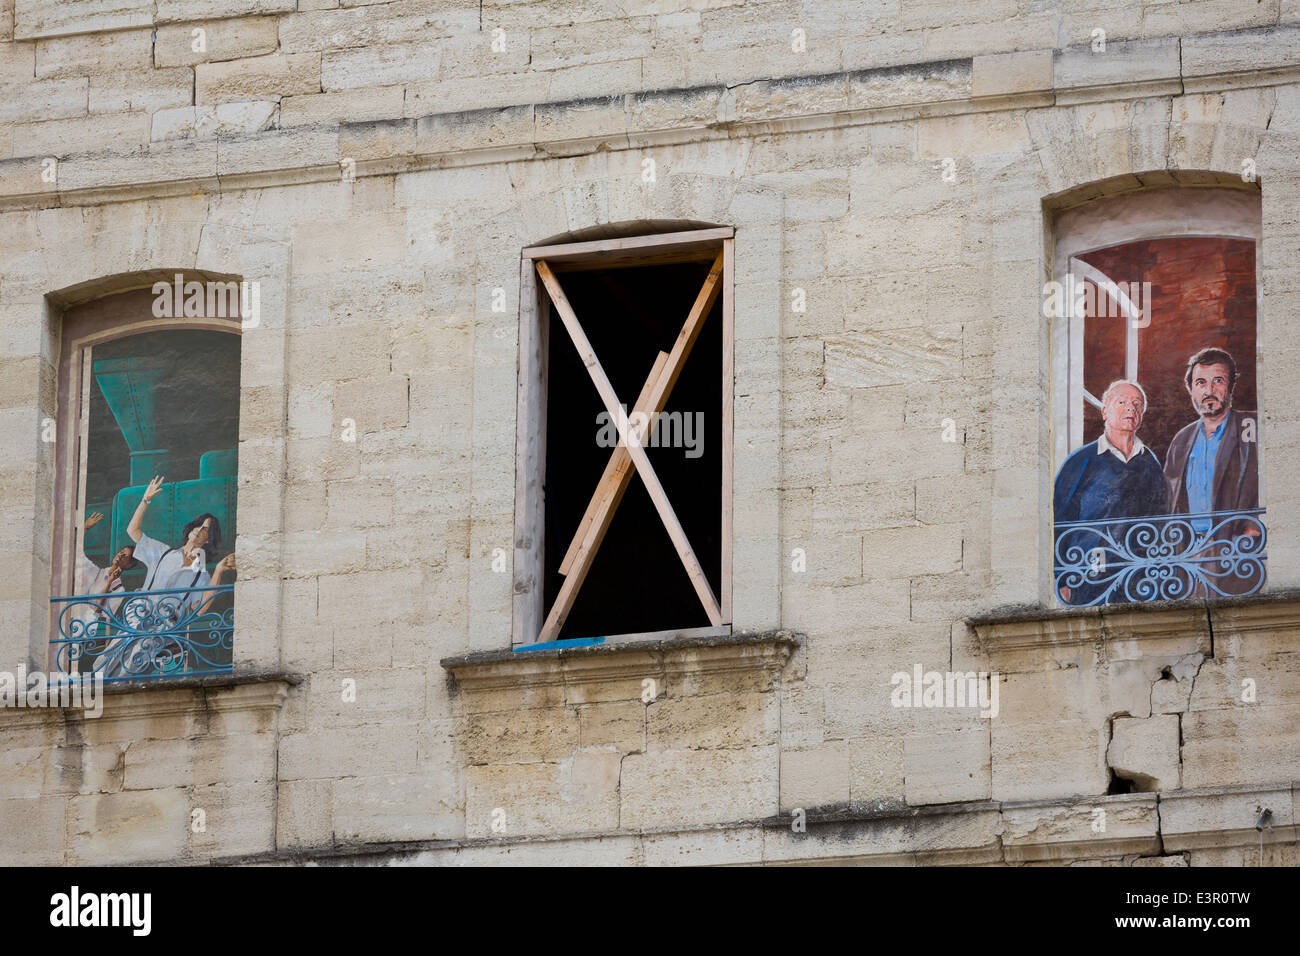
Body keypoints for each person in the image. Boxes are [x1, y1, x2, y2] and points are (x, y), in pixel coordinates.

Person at [1053, 380, 1167, 603]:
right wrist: (1061, 576)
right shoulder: (1080, 462)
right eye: (1122, 402)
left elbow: (1160, 519)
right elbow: (1059, 518)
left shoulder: (1149, 462)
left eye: (1137, 404)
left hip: (1137, 574)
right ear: (1105, 411)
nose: (1130, 409)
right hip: (1088, 570)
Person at [1162, 347, 1261, 595]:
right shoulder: (1182, 439)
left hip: (1235, 545)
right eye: (1201, 382)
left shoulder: (1252, 427)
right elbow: (1169, 500)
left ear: (1230, 386)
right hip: (1189, 552)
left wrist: (1255, 526)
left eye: (1218, 381)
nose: (1209, 390)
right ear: (1191, 390)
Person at [124, 475, 236, 671]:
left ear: (209, 539)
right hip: (138, 617)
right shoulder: (163, 552)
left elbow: (199, 609)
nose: (200, 529)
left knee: (134, 663)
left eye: (206, 529)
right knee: (110, 662)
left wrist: (218, 571)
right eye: (199, 524)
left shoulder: (201, 575)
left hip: (163, 631)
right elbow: (133, 530)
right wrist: (146, 500)